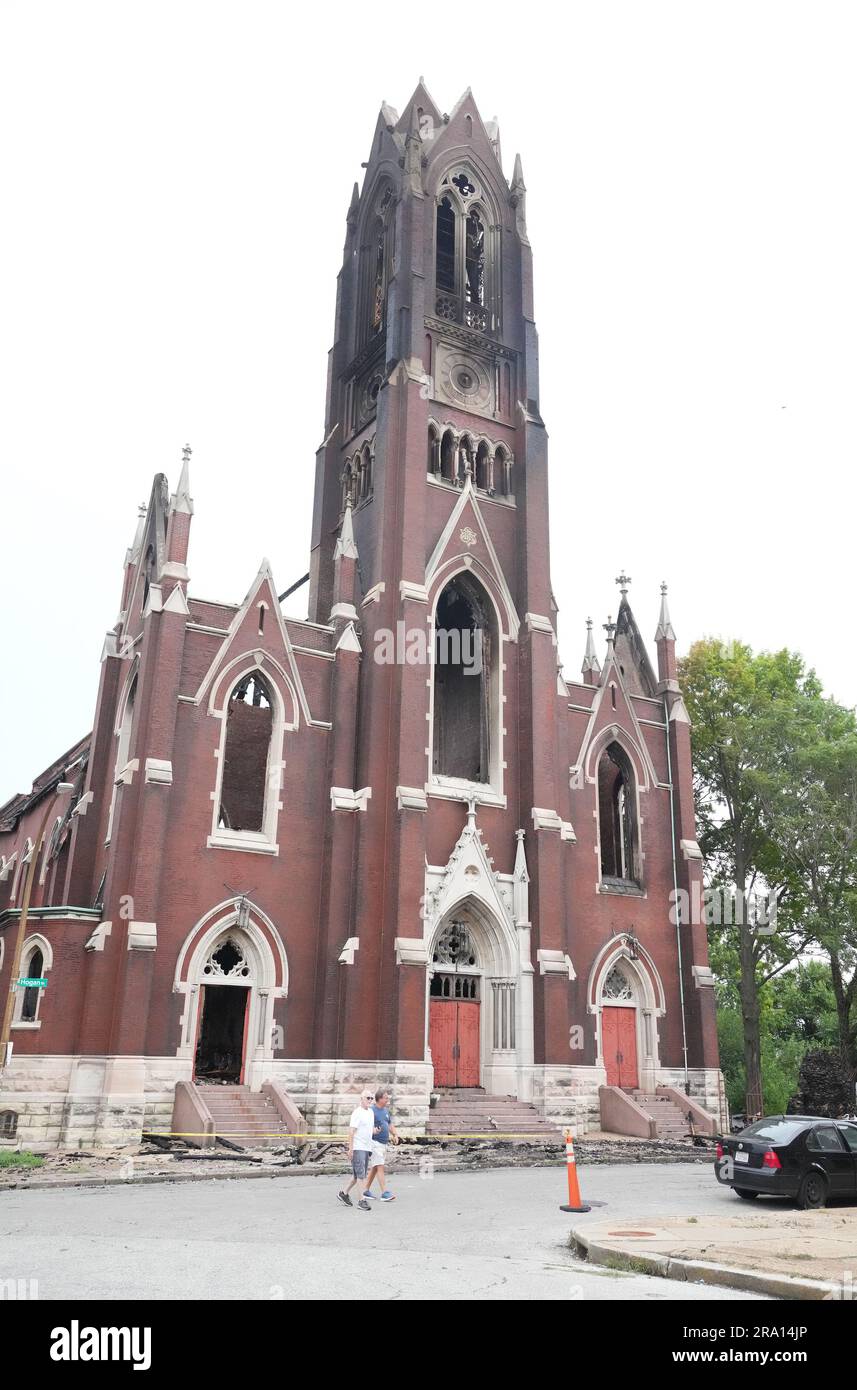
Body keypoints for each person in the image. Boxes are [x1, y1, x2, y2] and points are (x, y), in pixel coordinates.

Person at [338, 1091, 375, 1210]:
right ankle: (361, 1201)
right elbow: (351, 1131)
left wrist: (375, 1131)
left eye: (371, 1098)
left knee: (357, 1175)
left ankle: (343, 1193)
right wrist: (351, 1149)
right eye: (368, 1098)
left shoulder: (371, 1112)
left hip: (366, 1147)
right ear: (362, 1099)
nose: (370, 1100)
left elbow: (368, 1130)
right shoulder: (357, 1113)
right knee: (361, 1176)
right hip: (358, 1147)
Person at [364, 1087, 399, 1201]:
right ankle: (384, 1192)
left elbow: (389, 1124)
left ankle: (365, 1190)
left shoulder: (385, 1111)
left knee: (375, 1167)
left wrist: (395, 1134)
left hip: (383, 1143)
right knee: (380, 1166)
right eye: (385, 1097)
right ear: (379, 1099)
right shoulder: (371, 1111)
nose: (388, 1099)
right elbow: (365, 1125)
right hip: (375, 1142)